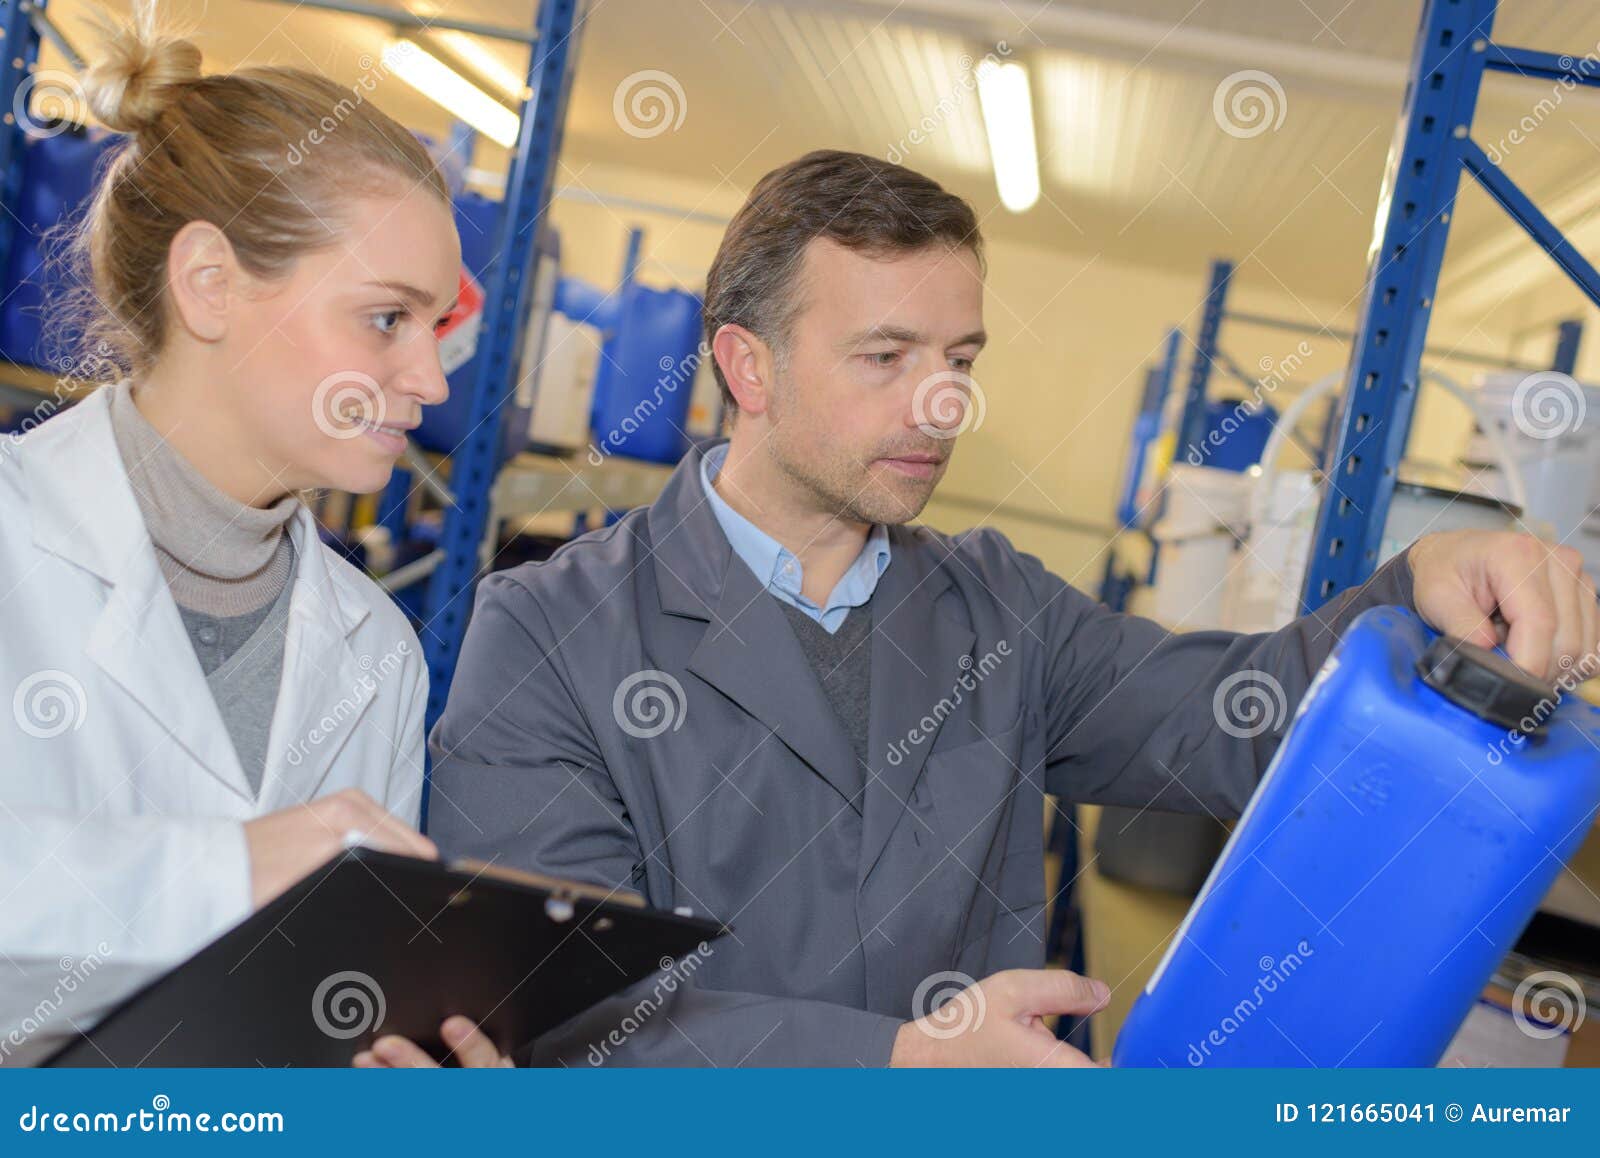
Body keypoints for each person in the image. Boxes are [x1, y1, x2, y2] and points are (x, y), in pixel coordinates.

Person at [410, 150, 1596, 1068]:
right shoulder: (549, 631)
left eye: (961, 360)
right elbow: (562, 1011)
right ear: (745, 366)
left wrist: (1417, 587)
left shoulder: (998, 610)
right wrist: (899, 1064)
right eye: (886, 357)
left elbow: (1243, 719)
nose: (940, 404)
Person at [0, 6, 457, 1066]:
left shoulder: (375, 647)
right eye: (388, 319)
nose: (430, 381)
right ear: (209, 284)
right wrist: (223, 874)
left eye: (437, 327)